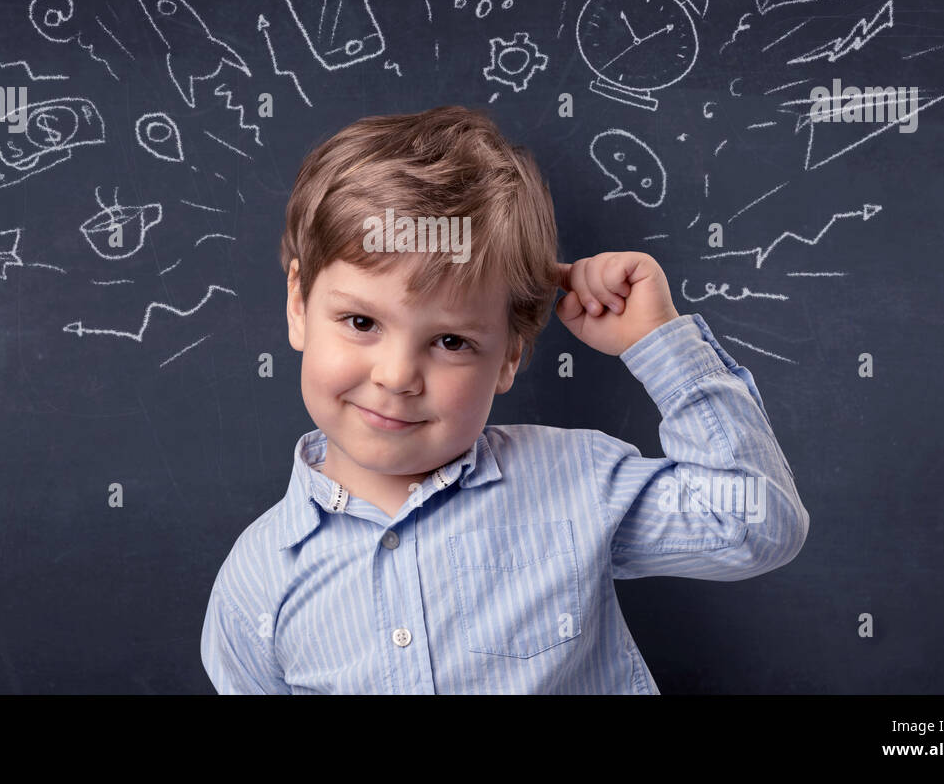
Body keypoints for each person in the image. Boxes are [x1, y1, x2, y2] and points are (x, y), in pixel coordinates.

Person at [201, 105, 809, 693]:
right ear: (300, 303)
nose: (396, 375)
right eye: (362, 322)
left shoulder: (574, 482)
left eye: (450, 340)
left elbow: (759, 527)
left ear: (510, 356)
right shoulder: (257, 580)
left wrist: (658, 345)